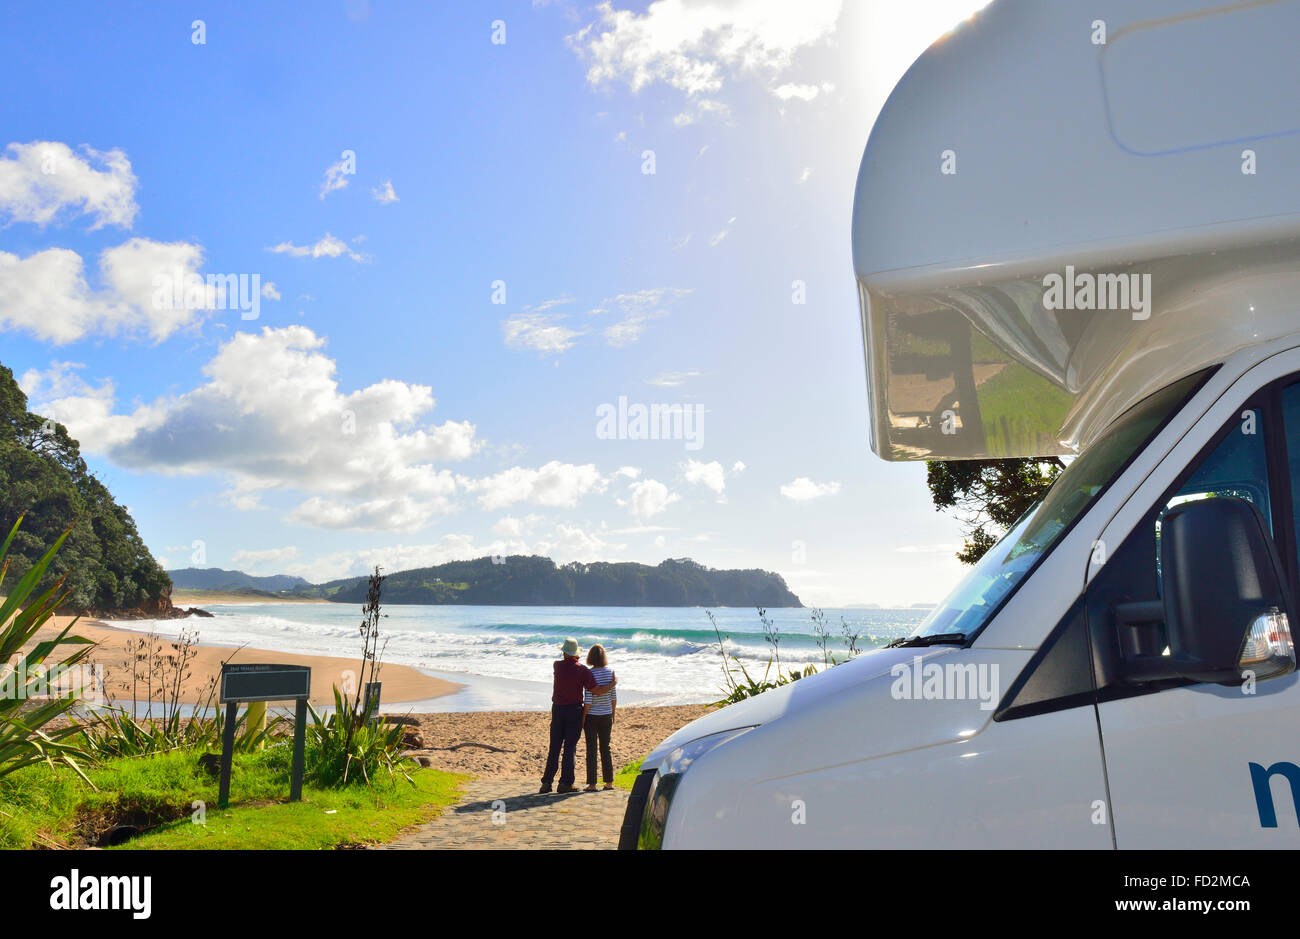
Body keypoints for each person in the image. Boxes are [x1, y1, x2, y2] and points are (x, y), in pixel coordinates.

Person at [540, 638, 615, 794]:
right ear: (576, 654)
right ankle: (565, 784)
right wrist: (613, 684)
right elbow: (598, 691)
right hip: (574, 710)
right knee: (569, 748)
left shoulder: (557, 666)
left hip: (558, 709)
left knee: (554, 747)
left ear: (564, 652)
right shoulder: (582, 670)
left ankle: (546, 783)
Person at [581, 643, 616, 791]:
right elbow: (614, 697)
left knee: (591, 749)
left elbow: (588, 699)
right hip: (606, 714)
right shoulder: (610, 673)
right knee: (605, 748)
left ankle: (592, 784)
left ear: (590, 657)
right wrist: (613, 714)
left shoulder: (589, 674)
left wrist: (583, 717)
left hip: (592, 715)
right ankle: (608, 783)